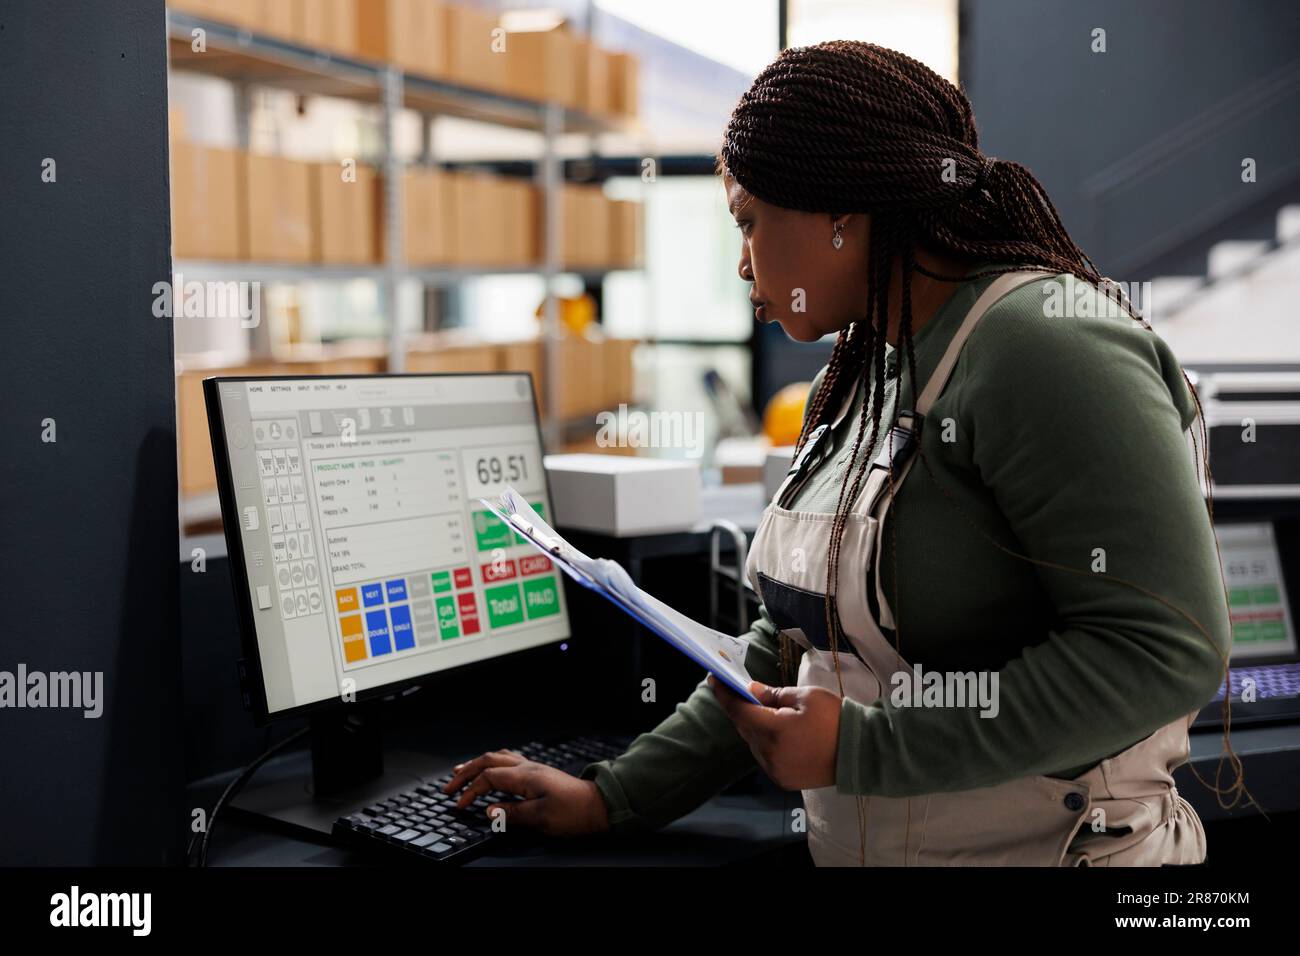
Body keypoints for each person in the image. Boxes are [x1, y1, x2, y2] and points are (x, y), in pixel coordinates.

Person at [441, 40, 1250, 865]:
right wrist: (616, 796)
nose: (742, 262)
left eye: (749, 221)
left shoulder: (1044, 345)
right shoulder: (875, 358)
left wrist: (864, 748)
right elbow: (790, 642)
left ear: (839, 209)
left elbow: (1165, 650)